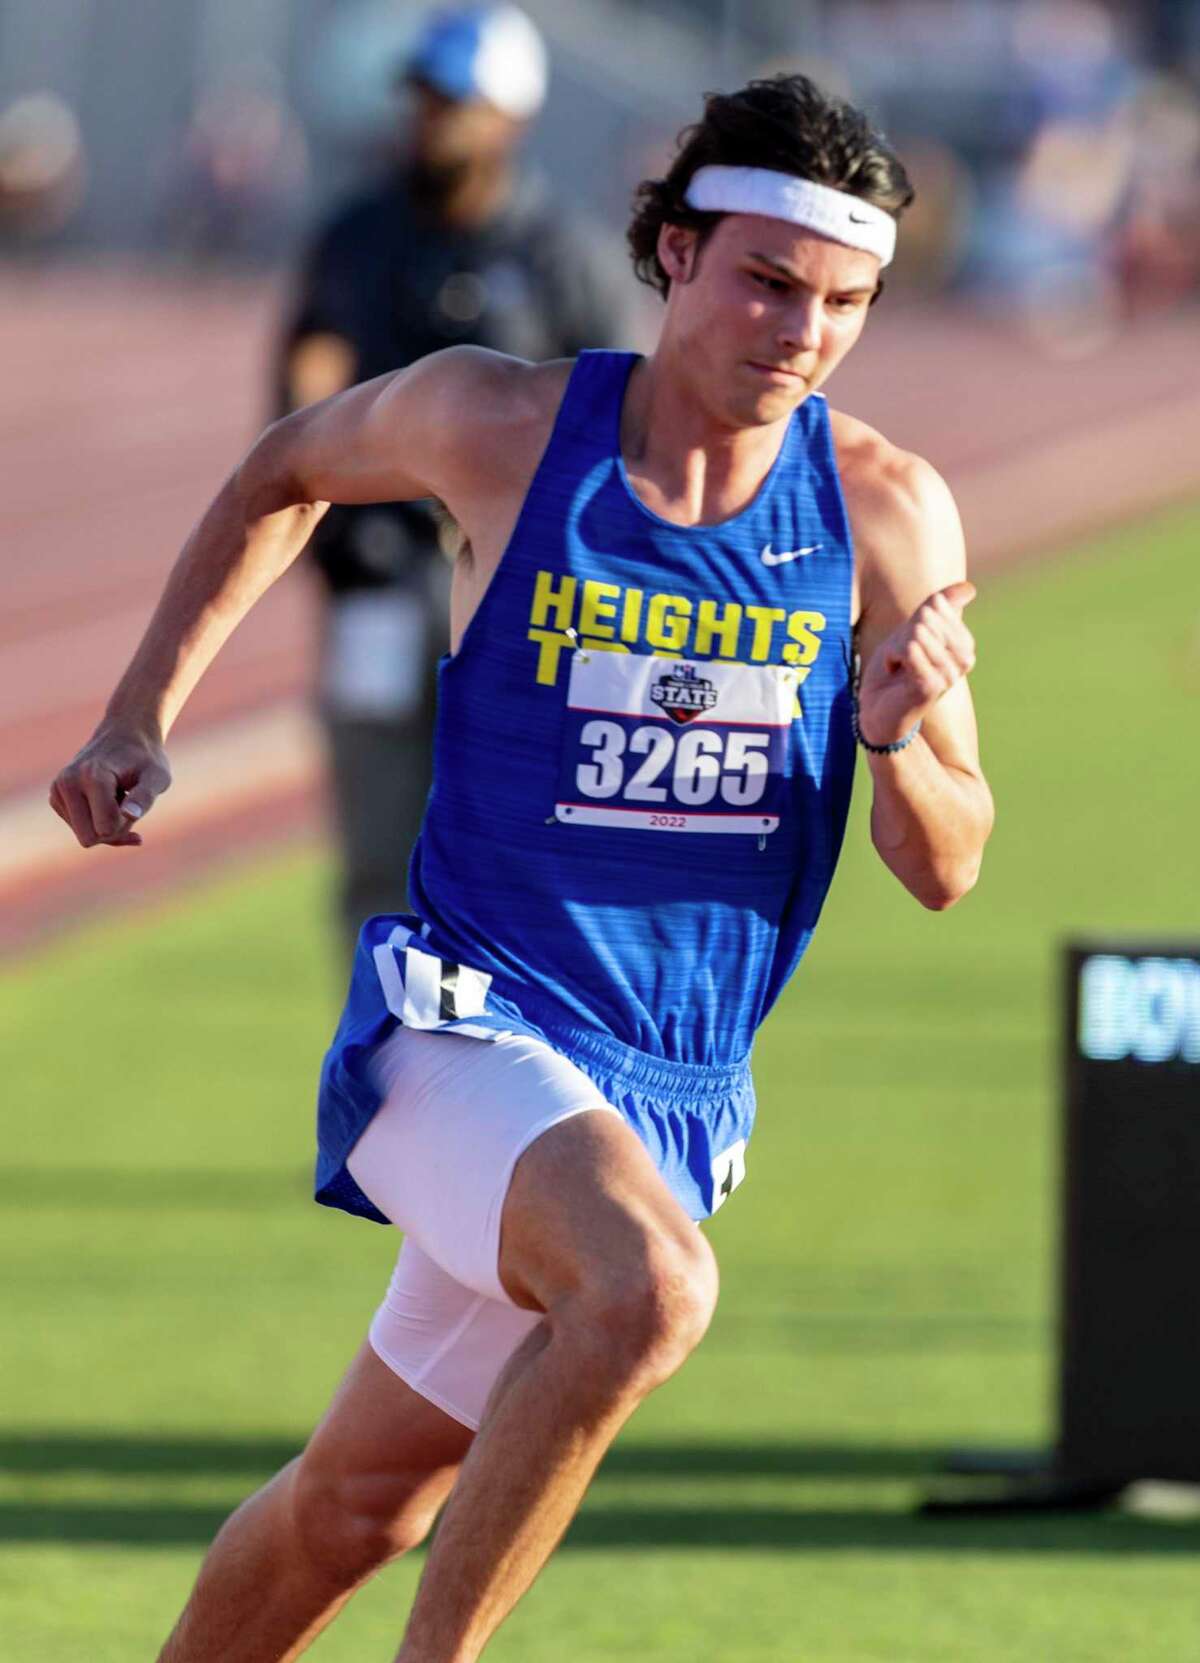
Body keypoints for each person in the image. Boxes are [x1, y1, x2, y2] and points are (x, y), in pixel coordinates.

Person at [50, 72, 994, 1663]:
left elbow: (950, 862)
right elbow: (283, 468)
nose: (801, 333)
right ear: (676, 249)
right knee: (648, 1293)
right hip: (464, 1021)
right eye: (768, 281)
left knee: (358, 1504)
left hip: (673, 1089)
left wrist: (893, 734)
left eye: (844, 303)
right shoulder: (502, 424)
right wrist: (141, 711)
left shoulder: (885, 511)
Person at [278, 3, 634, 951]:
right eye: (422, 100)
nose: (428, 120)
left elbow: (624, 424)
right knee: (376, 844)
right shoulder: (357, 235)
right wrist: (330, 531)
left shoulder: (563, 256)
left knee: (518, 841)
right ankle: (379, 1034)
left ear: (509, 114)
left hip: (523, 601)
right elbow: (304, 369)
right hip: (380, 579)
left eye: (452, 102)